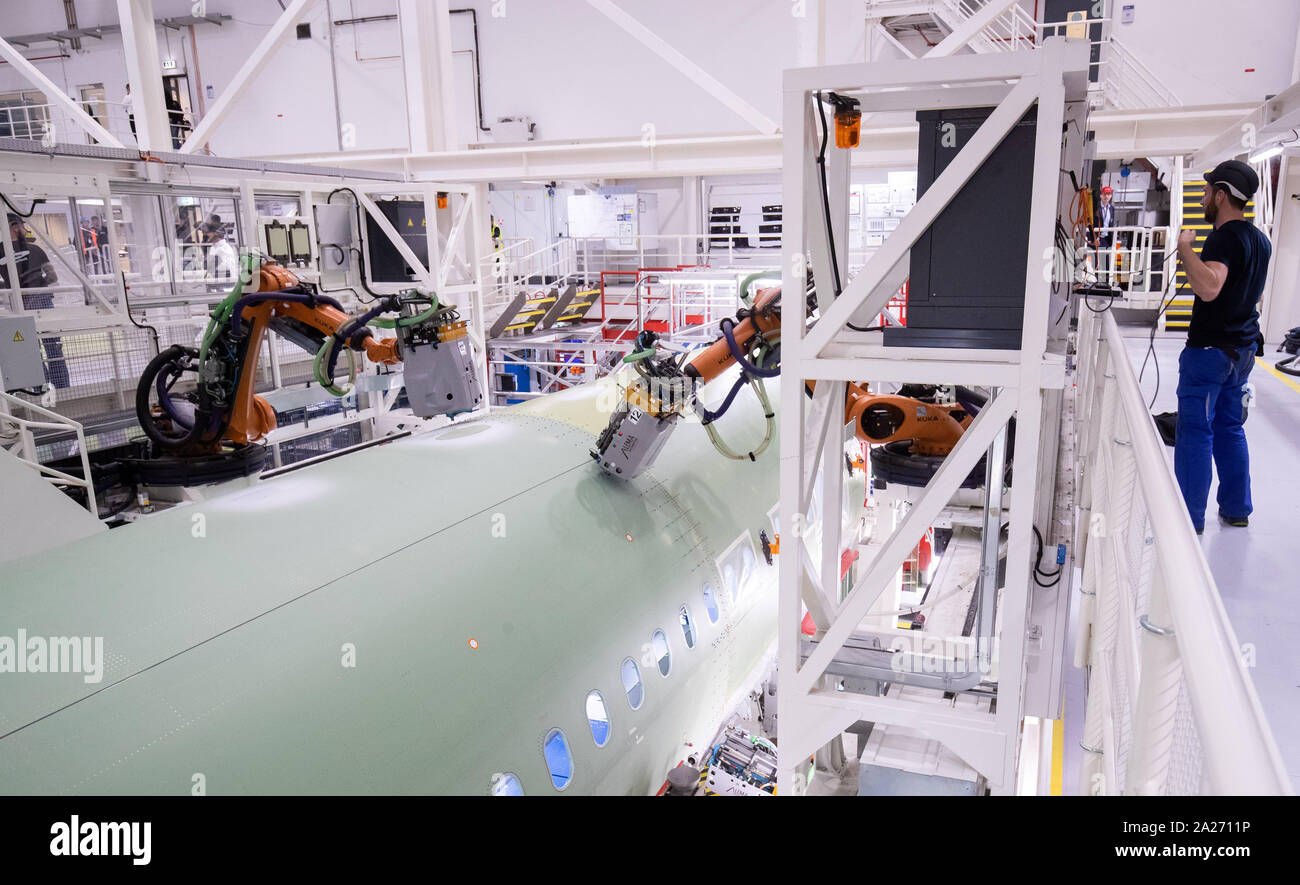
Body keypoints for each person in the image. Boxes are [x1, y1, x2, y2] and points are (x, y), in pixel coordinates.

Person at [1174, 159, 1270, 534]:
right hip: (1242, 351)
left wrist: (1185, 250)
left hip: (1210, 353)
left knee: (1196, 430)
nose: (1202, 196)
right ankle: (1236, 508)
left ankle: (1187, 520)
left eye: (1206, 190)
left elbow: (1210, 287)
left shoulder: (1224, 236)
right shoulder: (1259, 239)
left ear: (1221, 194)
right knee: (1230, 428)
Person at [1, 213, 70, 388]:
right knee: (53, 346)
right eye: (23, 226)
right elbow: (52, 277)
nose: (25, 230)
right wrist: (40, 285)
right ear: (16, 227)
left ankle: (40, 389)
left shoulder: (0, 251)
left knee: (30, 350)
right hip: (43, 302)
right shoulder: (36, 249)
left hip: (17, 304)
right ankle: (62, 388)